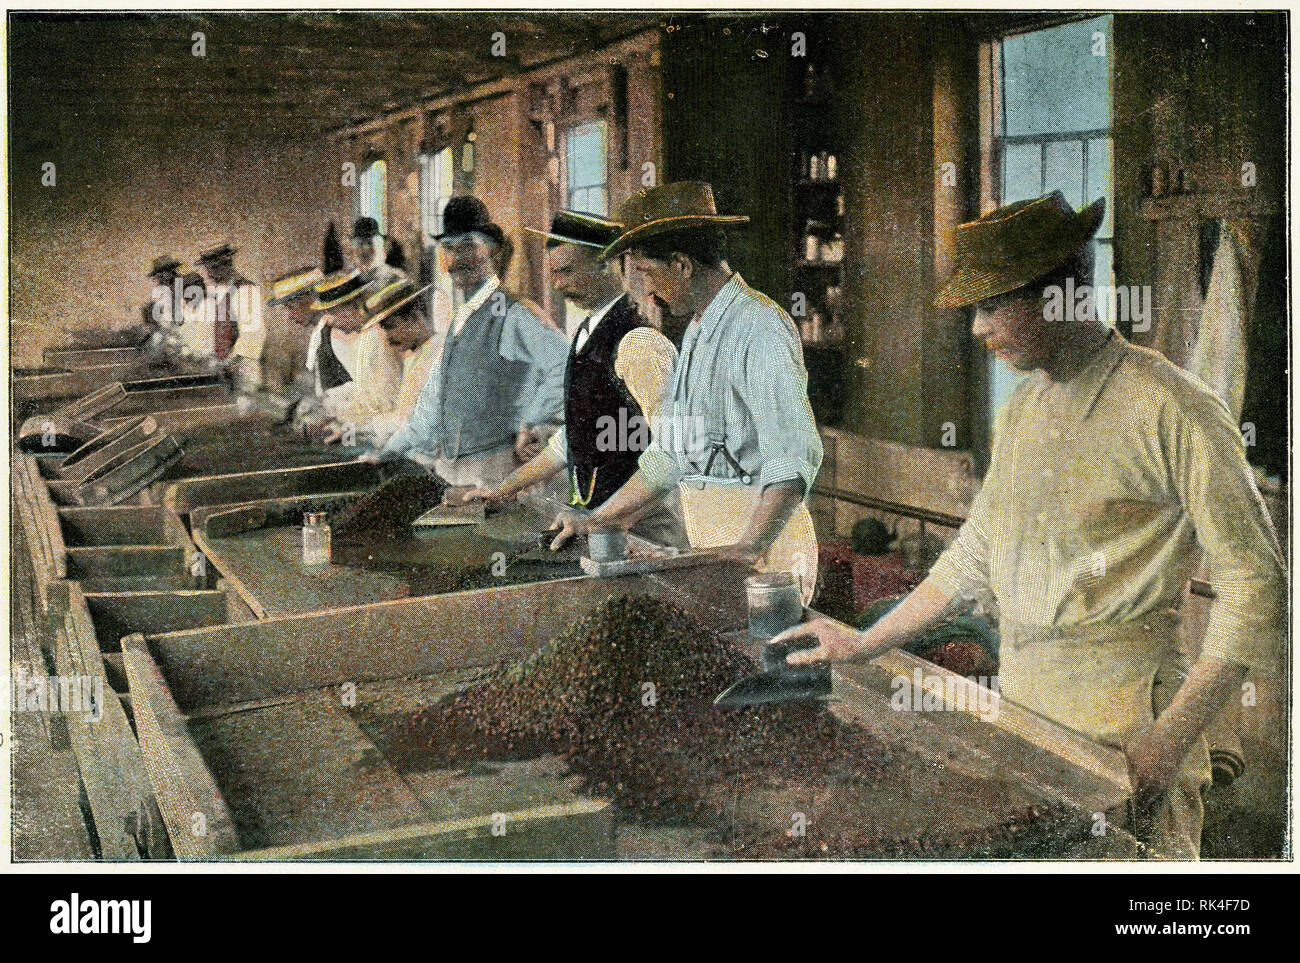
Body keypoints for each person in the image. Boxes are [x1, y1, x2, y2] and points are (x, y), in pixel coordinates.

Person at [773, 191, 1286, 859]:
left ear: (1059, 296)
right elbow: (972, 558)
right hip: (1027, 721)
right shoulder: (1022, 410)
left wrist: (1169, 739)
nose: (978, 328)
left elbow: (1257, 582)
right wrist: (865, 642)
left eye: (991, 306)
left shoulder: (1172, 408)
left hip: (1126, 733)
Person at [549, 181, 823, 599]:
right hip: (714, 547)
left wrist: (749, 546)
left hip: (767, 552)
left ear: (681, 265)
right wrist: (599, 519)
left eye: (648, 274)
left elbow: (794, 456)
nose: (648, 292)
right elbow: (671, 455)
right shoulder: (696, 330)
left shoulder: (758, 327)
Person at [464, 209, 686, 548]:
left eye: (566, 271)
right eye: (552, 273)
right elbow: (573, 439)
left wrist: (603, 519)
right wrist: (504, 487)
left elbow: (675, 449)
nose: (557, 284)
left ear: (606, 263)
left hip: (642, 531)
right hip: (597, 524)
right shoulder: (586, 332)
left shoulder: (638, 341)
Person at [360, 196, 568, 492]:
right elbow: (430, 407)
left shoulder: (514, 313)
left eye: (469, 246)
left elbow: (568, 367)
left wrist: (531, 422)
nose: (457, 259)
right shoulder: (460, 321)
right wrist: (389, 451)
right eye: (449, 248)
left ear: (492, 251)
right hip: (454, 475)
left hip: (498, 471)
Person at [325, 277, 441, 448]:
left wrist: (355, 430)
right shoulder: (415, 356)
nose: (387, 338)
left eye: (391, 326)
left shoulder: (437, 356)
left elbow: (406, 422)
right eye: (384, 329)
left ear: (415, 317)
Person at [297, 268, 402, 439]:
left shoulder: (380, 337)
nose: (330, 320)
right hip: (369, 429)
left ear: (353, 306)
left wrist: (335, 413)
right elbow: (362, 389)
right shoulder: (358, 337)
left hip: (388, 432)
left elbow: (385, 400)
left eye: (332, 312)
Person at [198, 242, 264, 391]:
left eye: (212, 268)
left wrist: (230, 360)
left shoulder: (245, 289)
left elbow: (252, 335)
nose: (209, 274)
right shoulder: (219, 291)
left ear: (226, 264)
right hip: (225, 371)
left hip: (244, 370)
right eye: (207, 269)